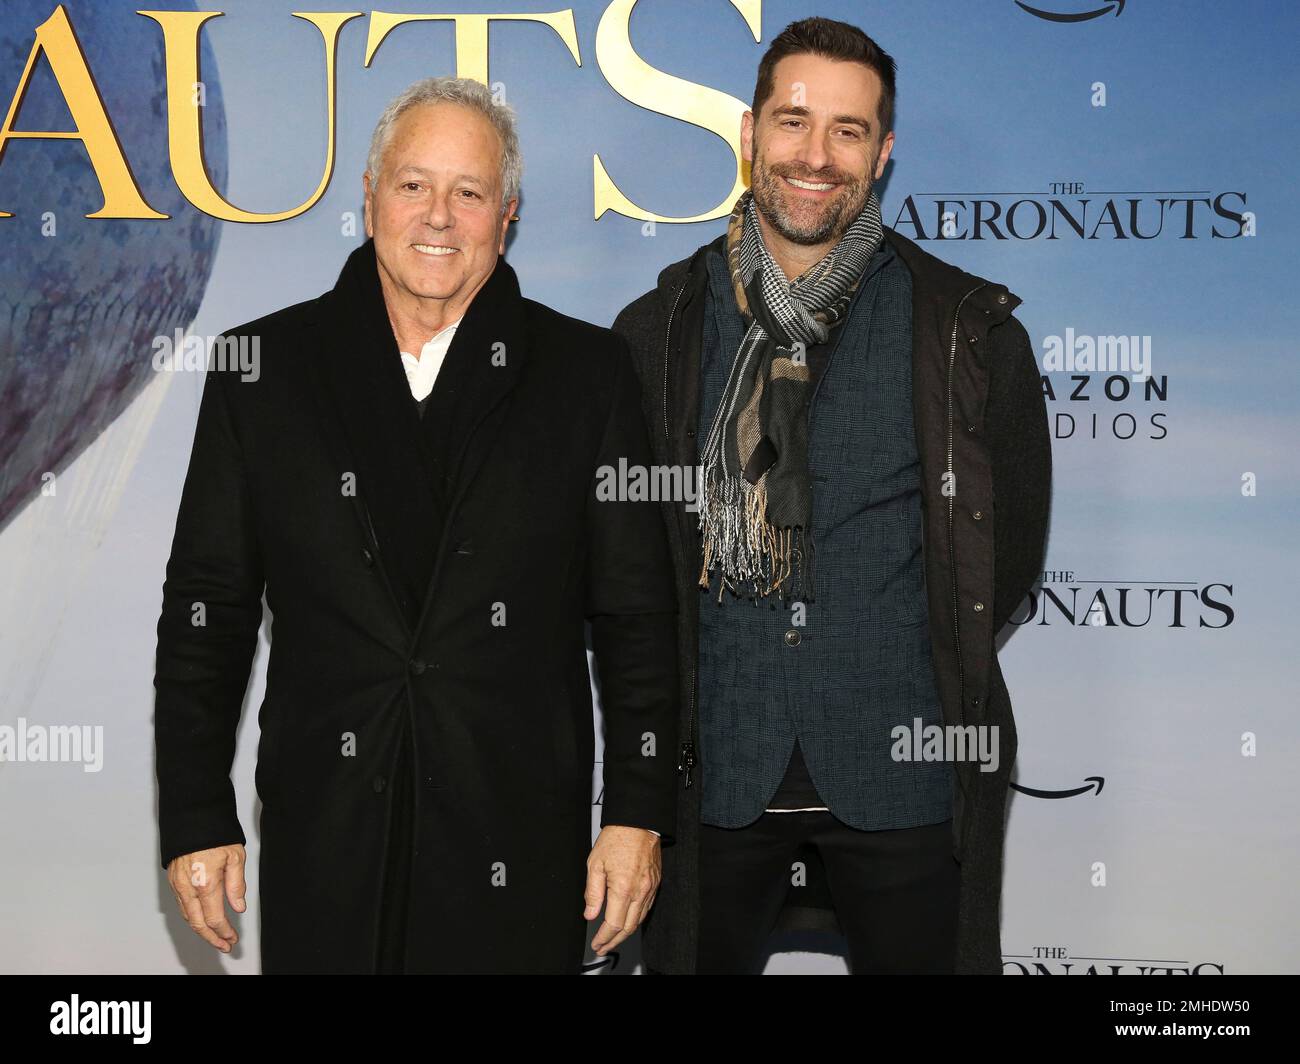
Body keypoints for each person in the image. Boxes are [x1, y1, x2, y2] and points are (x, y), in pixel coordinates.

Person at [155, 76, 677, 974]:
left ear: (505, 216)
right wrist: (197, 809)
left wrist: (635, 812)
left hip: (514, 833)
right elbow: (209, 608)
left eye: (468, 193)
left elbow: (638, 622)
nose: (439, 217)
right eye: (413, 185)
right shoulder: (262, 370)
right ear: (369, 198)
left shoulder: (587, 376)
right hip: (331, 831)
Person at [612, 17, 1051, 974]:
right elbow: (632, 567)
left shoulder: (968, 333)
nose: (816, 155)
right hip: (714, 775)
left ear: (883, 153)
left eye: (848, 131)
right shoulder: (661, 330)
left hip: (907, 775)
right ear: (749, 135)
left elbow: (1007, 552)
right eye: (793, 122)